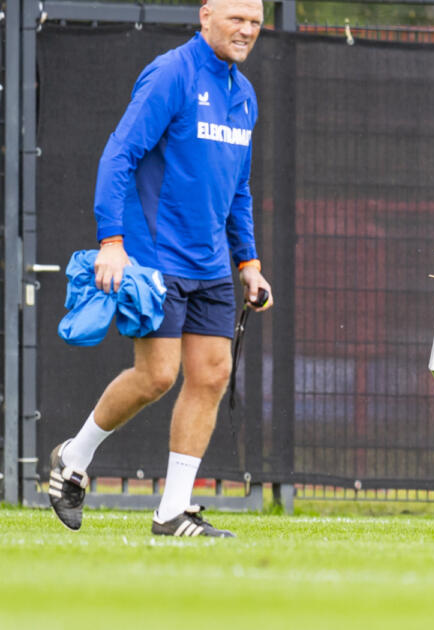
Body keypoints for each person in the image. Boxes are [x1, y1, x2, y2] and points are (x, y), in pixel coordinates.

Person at [47, 0, 272, 538]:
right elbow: (119, 154)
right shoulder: (172, 73)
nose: (246, 30)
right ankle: (72, 457)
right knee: (158, 375)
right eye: (236, 18)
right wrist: (112, 242)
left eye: (256, 22)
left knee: (213, 375)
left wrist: (249, 262)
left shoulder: (245, 95)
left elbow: (237, 188)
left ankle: (172, 511)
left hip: (213, 262)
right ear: (206, 15)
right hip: (156, 256)